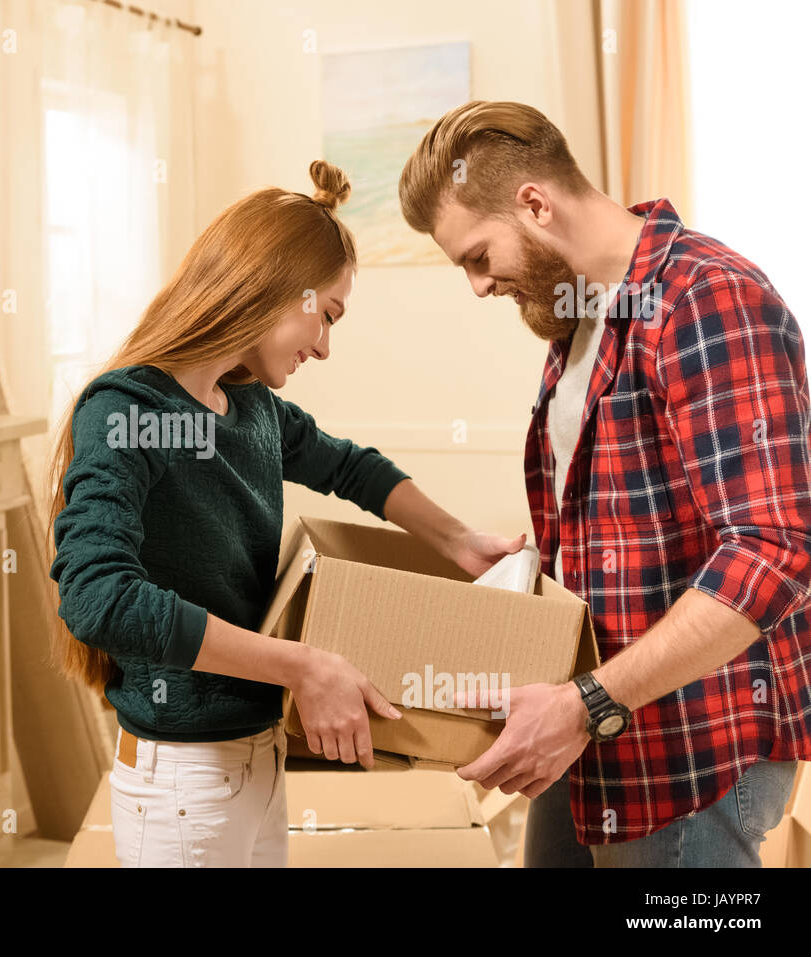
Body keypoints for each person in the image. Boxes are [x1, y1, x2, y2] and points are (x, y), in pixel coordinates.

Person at [47, 160, 526, 867]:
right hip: (183, 781)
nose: (326, 345)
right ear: (271, 287)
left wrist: (459, 541)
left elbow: (349, 466)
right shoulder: (130, 410)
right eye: (326, 314)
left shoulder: (250, 409)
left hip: (255, 760)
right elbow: (95, 597)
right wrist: (301, 666)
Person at [398, 100, 810, 867]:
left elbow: (773, 551)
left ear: (534, 204)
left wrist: (587, 703)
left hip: (690, 751)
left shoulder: (707, 298)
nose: (479, 286)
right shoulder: (581, 318)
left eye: (478, 257)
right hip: (590, 729)